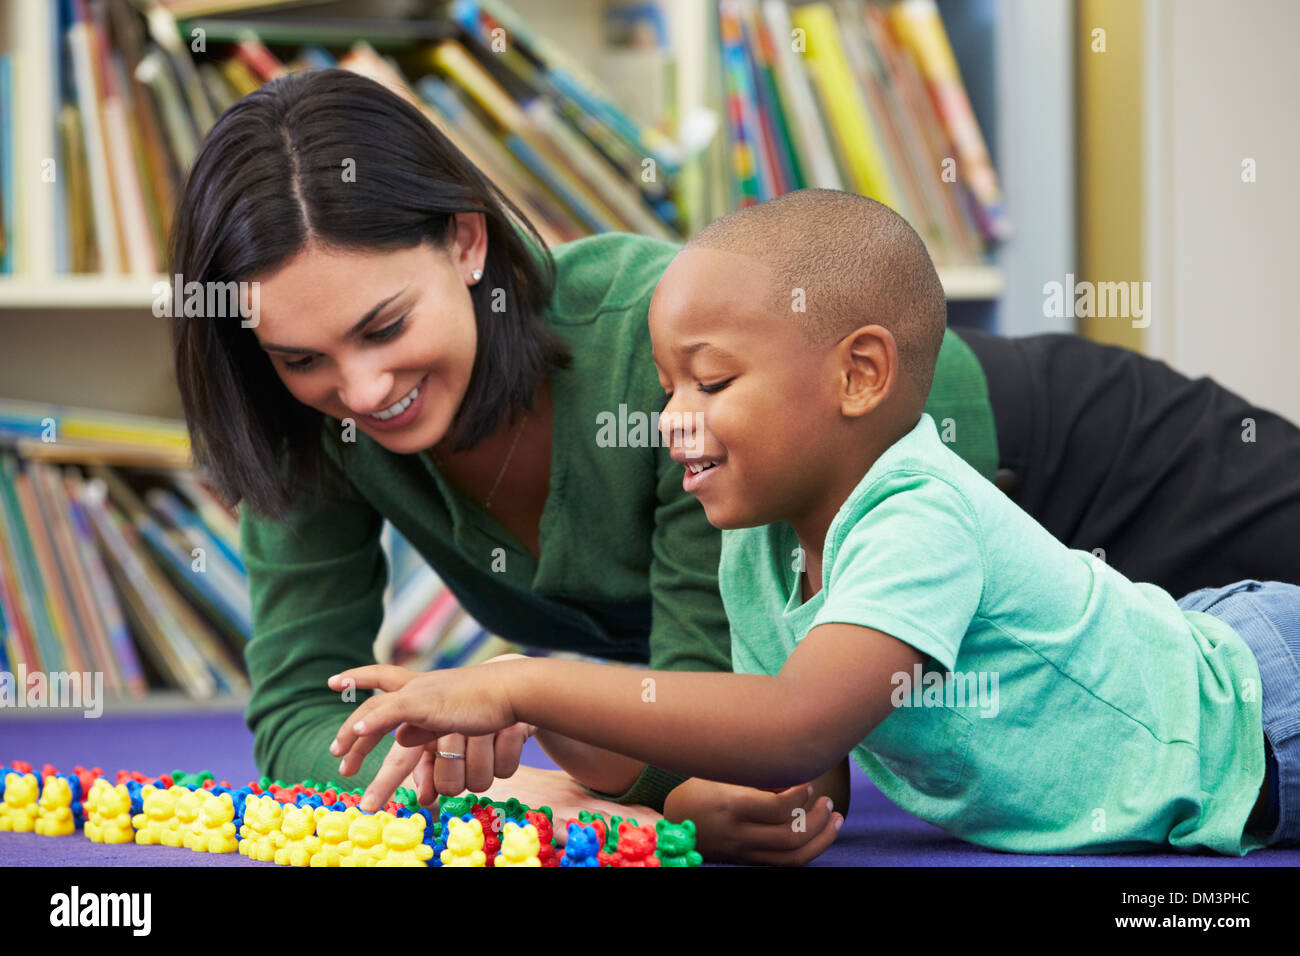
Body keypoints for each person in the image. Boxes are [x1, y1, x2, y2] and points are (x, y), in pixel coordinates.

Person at [171, 68, 1298, 863]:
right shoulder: (305, 420)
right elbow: (299, 722)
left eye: (382, 328)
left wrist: (525, 703)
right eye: (302, 357)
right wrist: (461, 757)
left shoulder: (668, 372)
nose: (359, 392)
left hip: (1081, 471)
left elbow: (764, 719)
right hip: (998, 672)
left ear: (466, 243)